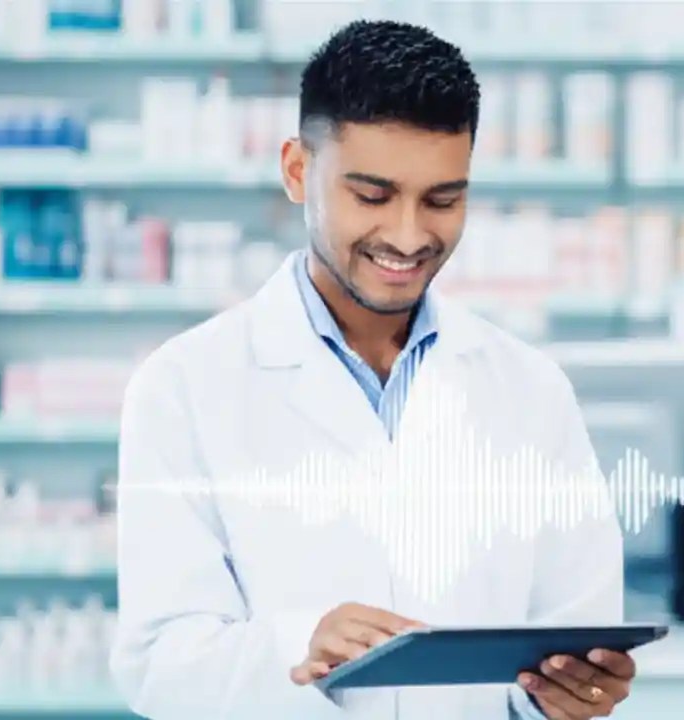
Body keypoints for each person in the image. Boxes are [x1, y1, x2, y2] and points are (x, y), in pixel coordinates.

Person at [110, 20, 632, 720]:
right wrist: (303, 643)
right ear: (298, 171)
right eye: (373, 196)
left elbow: (574, 629)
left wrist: (563, 697)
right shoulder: (183, 387)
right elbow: (159, 666)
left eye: (443, 200)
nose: (411, 236)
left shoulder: (530, 390)